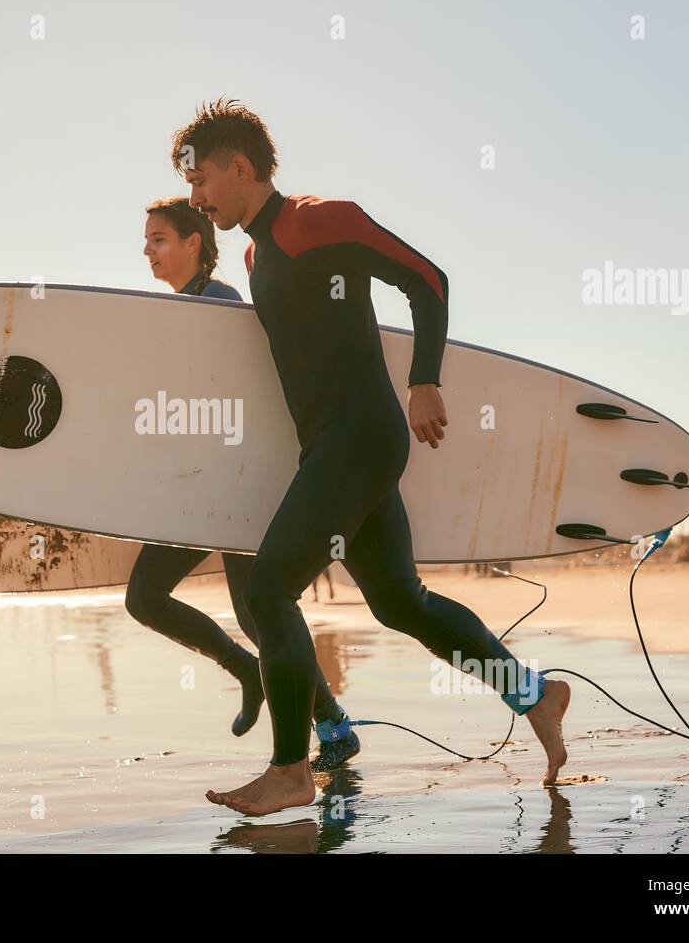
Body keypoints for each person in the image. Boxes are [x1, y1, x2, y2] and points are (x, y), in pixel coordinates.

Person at [166, 99, 572, 816]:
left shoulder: (320, 220)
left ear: (238, 165)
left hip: (361, 438)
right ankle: (535, 695)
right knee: (398, 603)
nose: (197, 198)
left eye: (201, 181)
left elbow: (428, 279)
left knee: (266, 594)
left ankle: (291, 770)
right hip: (332, 445)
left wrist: (424, 379)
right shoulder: (259, 255)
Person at [125, 196, 360, 771]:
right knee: (147, 599)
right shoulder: (183, 309)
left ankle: (330, 725)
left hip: (237, 483)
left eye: (159, 238)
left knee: (257, 611)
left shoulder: (220, 302)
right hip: (201, 489)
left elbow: (240, 400)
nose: (147, 249)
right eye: (146, 239)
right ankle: (252, 677)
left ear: (192, 243)